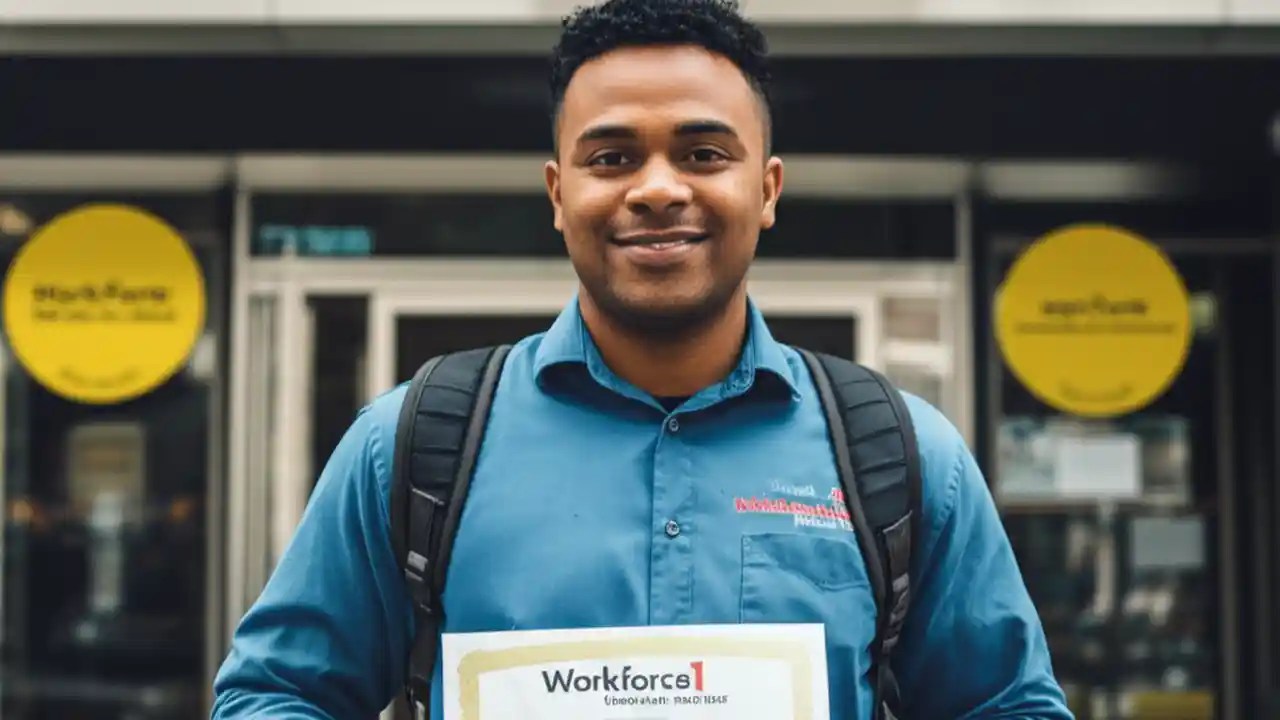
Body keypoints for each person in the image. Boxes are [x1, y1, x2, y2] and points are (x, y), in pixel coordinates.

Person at [210, 0, 1074, 718]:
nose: (658, 189)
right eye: (613, 157)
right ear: (560, 194)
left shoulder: (901, 456)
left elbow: (1008, 706)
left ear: (767, 189)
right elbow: (277, 695)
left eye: (704, 154)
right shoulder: (411, 444)